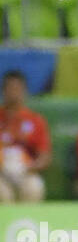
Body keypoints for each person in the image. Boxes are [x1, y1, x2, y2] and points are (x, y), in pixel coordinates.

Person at [0, 70, 51, 203]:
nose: (13, 93)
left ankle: (28, 223)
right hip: (1, 173)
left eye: (17, 88)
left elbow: (44, 157)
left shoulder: (36, 120)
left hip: (26, 171)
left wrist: (28, 168)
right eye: (10, 88)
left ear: (25, 91)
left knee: (35, 187)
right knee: (2, 193)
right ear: (3, 91)